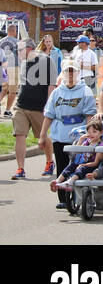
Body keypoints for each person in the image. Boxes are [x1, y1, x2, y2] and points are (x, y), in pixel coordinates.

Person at [41, 63, 99, 207]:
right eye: (68, 71)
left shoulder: (85, 90)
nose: (71, 74)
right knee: (61, 166)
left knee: (77, 166)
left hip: (77, 135)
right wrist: (42, 135)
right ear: (64, 74)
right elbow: (49, 115)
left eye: (73, 71)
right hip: (60, 134)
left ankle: (77, 197)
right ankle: (63, 199)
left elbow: (89, 114)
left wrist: (89, 135)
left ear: (78, 73)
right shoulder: (57, 92)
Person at [10, 39, 55, 180]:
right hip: (21, 106)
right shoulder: (24, 63)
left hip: (39, 108)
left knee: (43, 138)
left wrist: (48, 106)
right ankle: (20, 168)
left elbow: (51, 86)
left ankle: (49, 161)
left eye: (19, 50)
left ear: (29, 48)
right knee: (19, 135)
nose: (18, 53)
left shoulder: (46, 61)